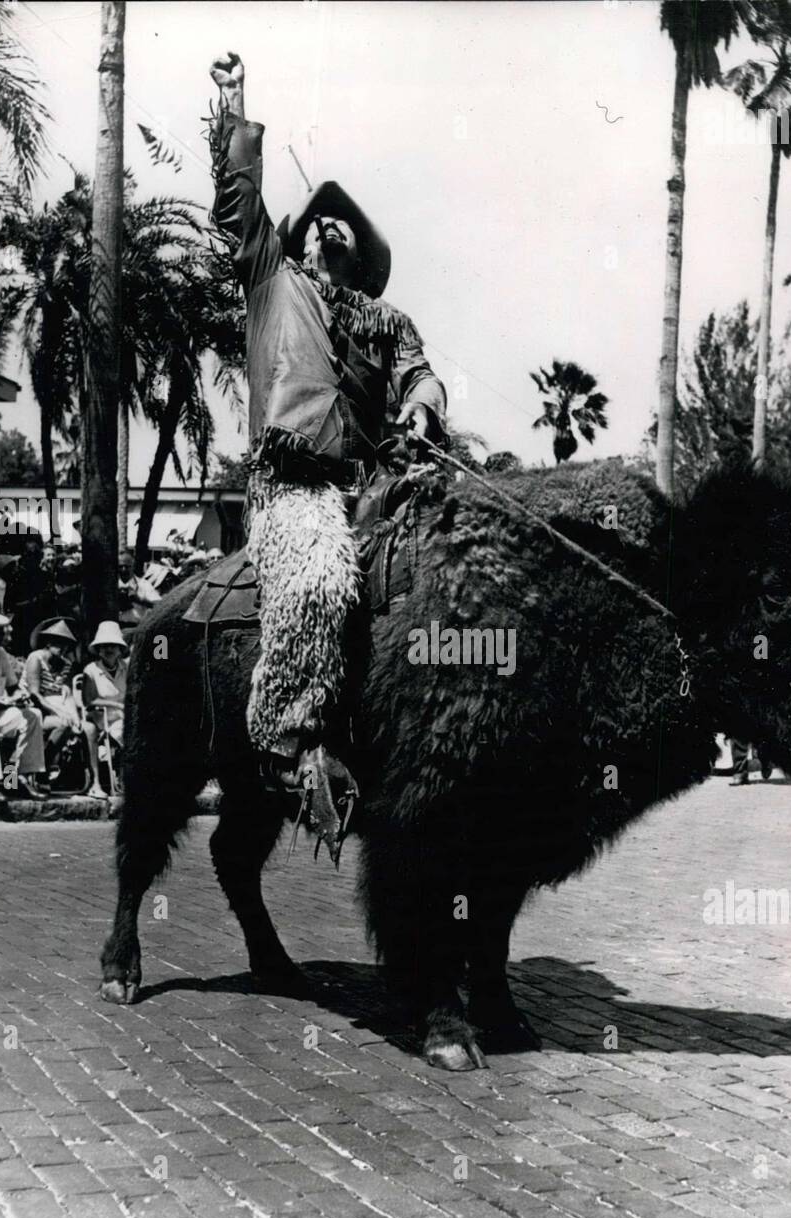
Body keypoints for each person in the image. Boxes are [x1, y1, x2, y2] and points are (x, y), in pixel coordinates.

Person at [207, 52, 447, 846]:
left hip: (379, 484)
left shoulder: (390, 322)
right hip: (294, 488)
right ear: (302, 240)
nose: (331, 224)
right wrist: (235, 109)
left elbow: (423, 379)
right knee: (317, 578)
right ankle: (289, 739)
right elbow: (241, 208)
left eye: (345, 221)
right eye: (320, 220)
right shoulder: (274, 283)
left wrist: (419, 410)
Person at [0, 610, 47, 800]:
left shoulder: (0, 653)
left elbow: (12, 687)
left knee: (33, 715)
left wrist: (20, 696)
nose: (3, 637)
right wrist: (1, 701)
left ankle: (21, 776)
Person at [22, 617, 90, 767]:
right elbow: (34, 694)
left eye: (67, 645)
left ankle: (50, 768)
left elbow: (68, 694)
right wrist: (59, 712)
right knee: (12, 754)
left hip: (54, 709)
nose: (63, 648)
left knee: (79, 727)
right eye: (59, 643)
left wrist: (75, 716)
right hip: (33, 710)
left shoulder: (66, 663)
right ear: (48, 643)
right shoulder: (36, 658)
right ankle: (34, 771)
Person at [81, 621, 129, 799]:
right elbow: (89, 700)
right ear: (99, 649)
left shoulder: (127, 667)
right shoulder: (91, 670)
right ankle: (96, 783)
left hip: (123, 717)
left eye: (113, 646)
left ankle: (129, 781)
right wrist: (116, 705)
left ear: (119, 649)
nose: (109, 649)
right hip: (100, 717)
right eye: (104, 646)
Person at [118, 550, 161, 625]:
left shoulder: (144, 584)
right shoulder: (110, 586)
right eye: (120, 566)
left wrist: (139, 600)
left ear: (133, 566)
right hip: (116, 629)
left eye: (127, 566)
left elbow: (160, 605)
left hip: (136, 629)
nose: (123, 570)